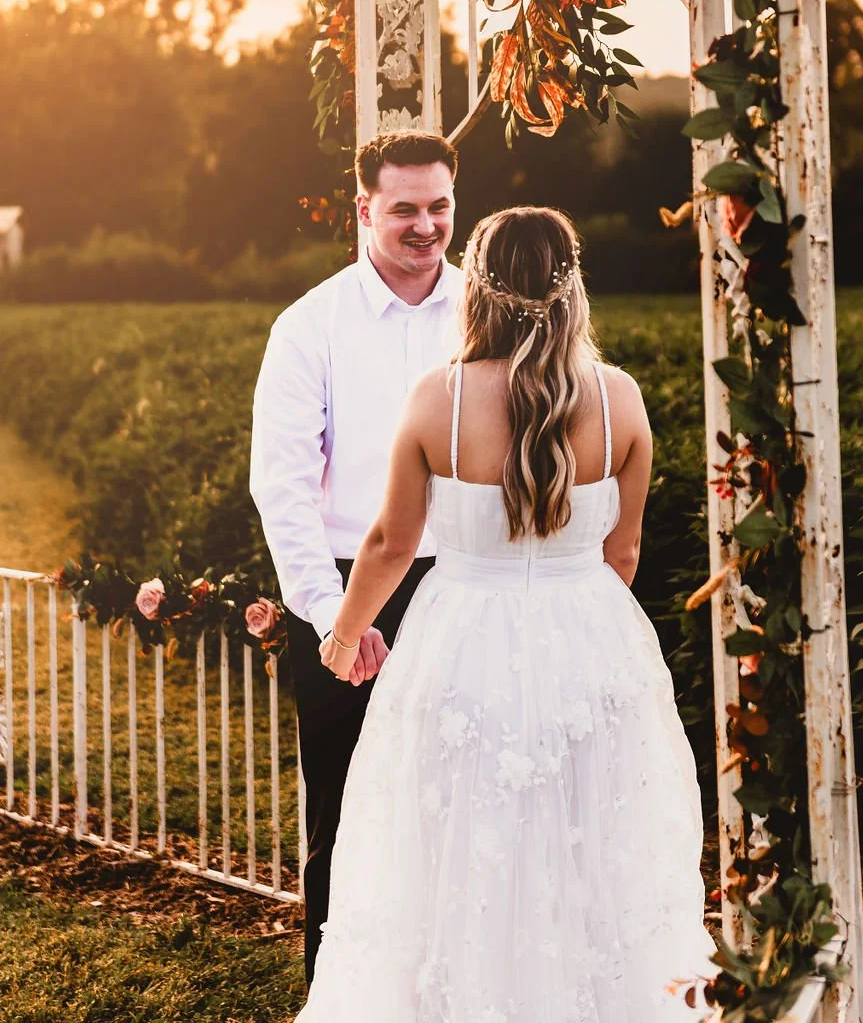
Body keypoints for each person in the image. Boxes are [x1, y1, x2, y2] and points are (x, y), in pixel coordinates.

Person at [300, 205, 713, 1021]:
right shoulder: (621, 400)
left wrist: (343, 633)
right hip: (592, 643)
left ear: (477, 289)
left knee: (453, 846)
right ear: (573, 283)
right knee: (591, 844)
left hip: (461, 647)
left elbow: (388, 542)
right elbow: (623, 554)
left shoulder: (438, 400)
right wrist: (576, 630)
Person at [249, 129, 463, 983]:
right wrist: (334, 615)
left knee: (460, 802)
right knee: (344, 813)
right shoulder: (310, 326)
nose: (425, 226)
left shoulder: (490, 311)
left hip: (467, 586)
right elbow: (283, 486)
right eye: (404, 208)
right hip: (346, 590)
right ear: (364, 209)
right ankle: (340, 993)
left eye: (439, 206)